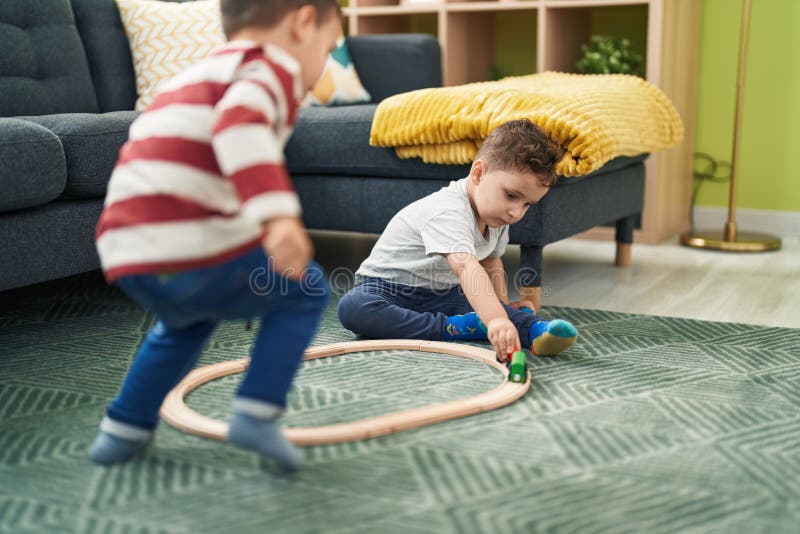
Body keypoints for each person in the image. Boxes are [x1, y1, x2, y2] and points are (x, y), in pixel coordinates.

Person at [89, 0, 343, 470]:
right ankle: (256, 411)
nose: (322, 64)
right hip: (183, 239)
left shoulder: (201, 73)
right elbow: (240, 126)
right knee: (304, 291)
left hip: (127, 246)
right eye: (329, 48)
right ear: (303, 22)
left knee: (184, 323)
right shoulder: (269, 68)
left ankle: (122, 429)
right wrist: (279, 219)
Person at [337, 119, 578, 361]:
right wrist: (495, 319)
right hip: (388, 288)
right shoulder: (449, 211)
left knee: (480, 302)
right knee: (354, 307)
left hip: (443, 293)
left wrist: (500, 306)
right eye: (511, 195)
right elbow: (465, 266)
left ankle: (536, 331)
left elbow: (491, 262)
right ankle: (452, 329)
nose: (516, 212)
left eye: (527, 204)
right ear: (478, 173)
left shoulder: (496, 216)